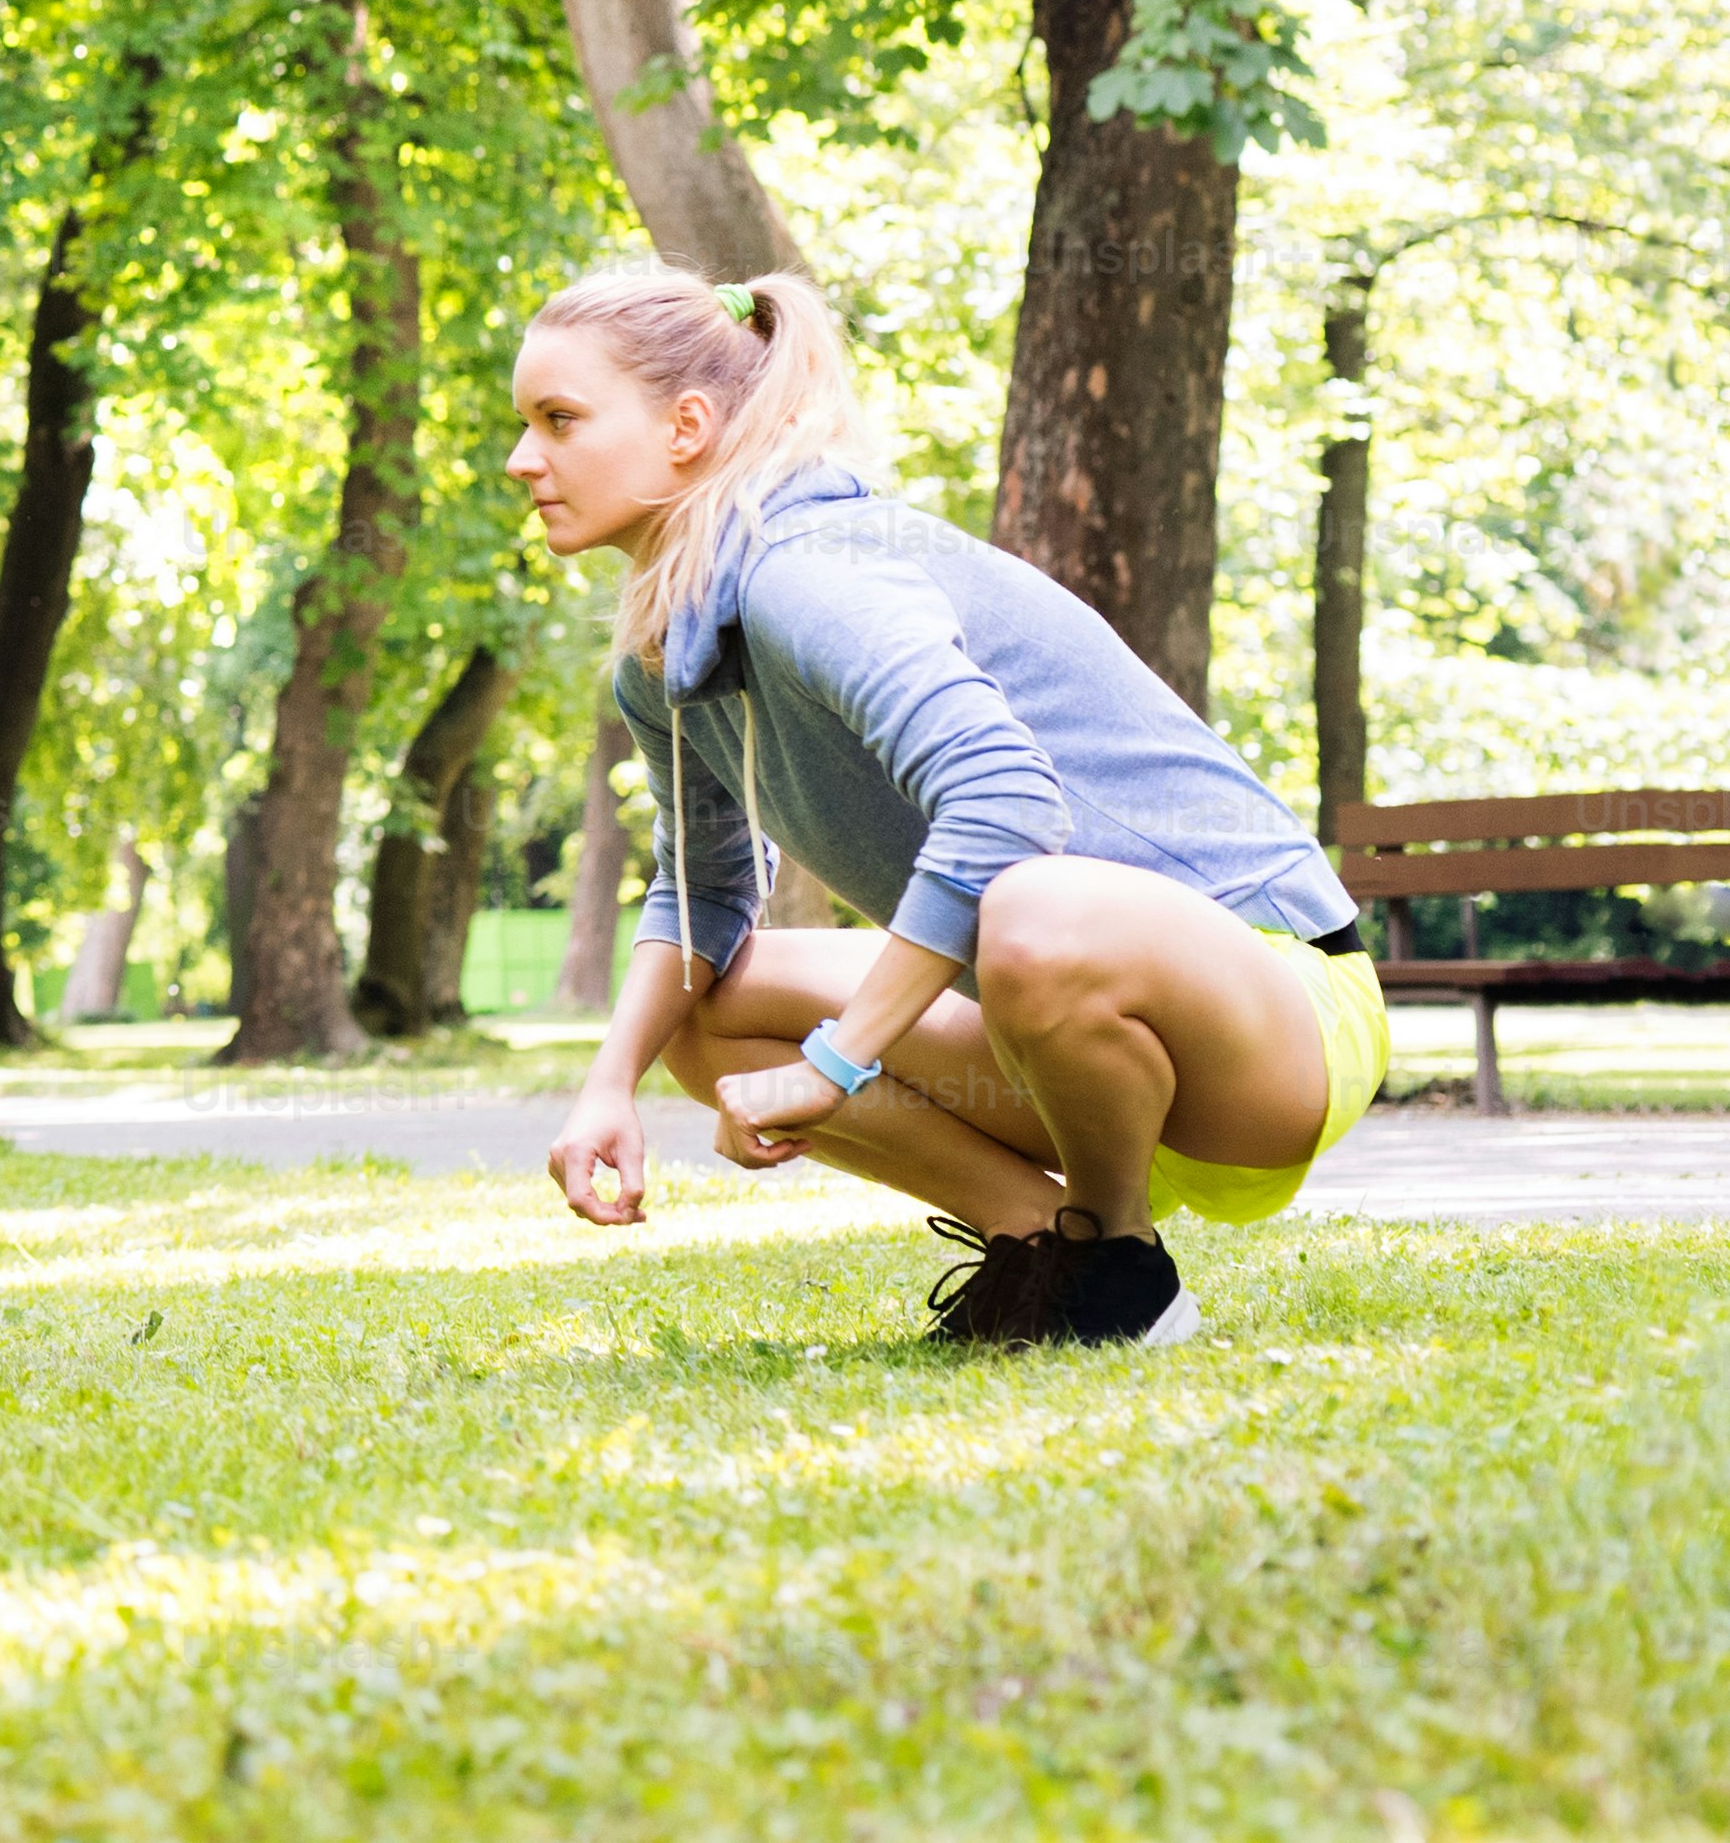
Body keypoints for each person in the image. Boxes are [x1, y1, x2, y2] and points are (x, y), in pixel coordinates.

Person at [517, 262, 1391, 1348]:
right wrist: (612, 1082)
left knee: (1033, 906)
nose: (523, 459)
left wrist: (833, 1064)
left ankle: (1108, 1243)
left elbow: (1005, 802)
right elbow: (703, 893)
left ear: (687, 425)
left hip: (1275, 1023)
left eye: (559, 420)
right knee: (705, 1015)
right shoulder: (667, 666)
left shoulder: (814, 571)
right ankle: (1070, 1266)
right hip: (1068, 1048)